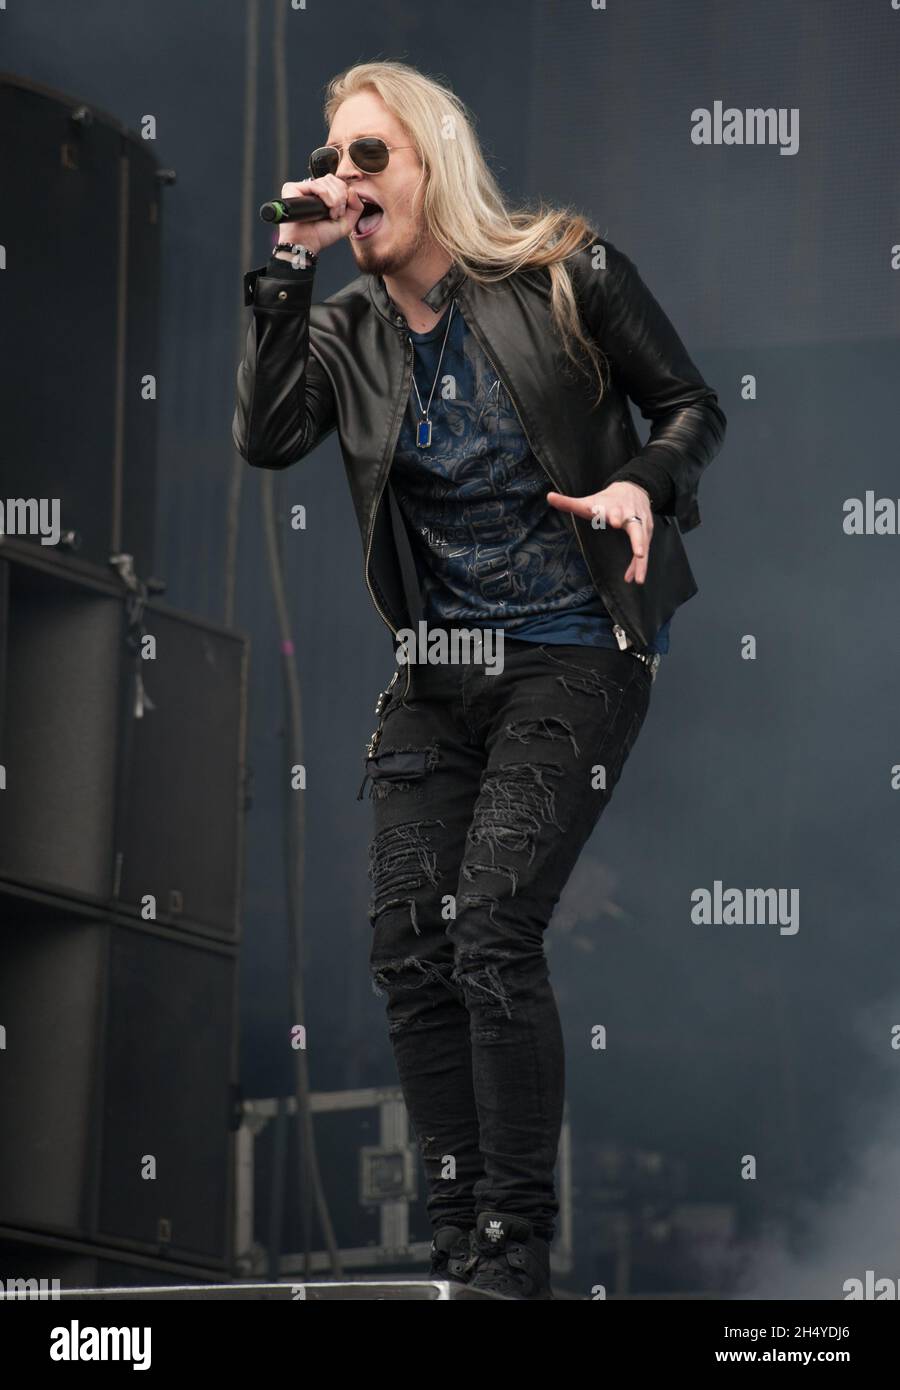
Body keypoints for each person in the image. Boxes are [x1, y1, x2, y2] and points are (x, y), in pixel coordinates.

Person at [233, 59, 726, 1300]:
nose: (344, 180)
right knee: (412, 945)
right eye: (332, 158)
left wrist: (640, 485)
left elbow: (690, 404)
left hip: (571, 650)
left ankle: (515, 1246)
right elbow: (265, 434)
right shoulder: (343, 330)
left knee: (492, 927)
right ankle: (454, 1248)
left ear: (430, 163)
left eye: (368, 158)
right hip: (437, 677)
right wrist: (286, 274)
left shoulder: (567, 275)